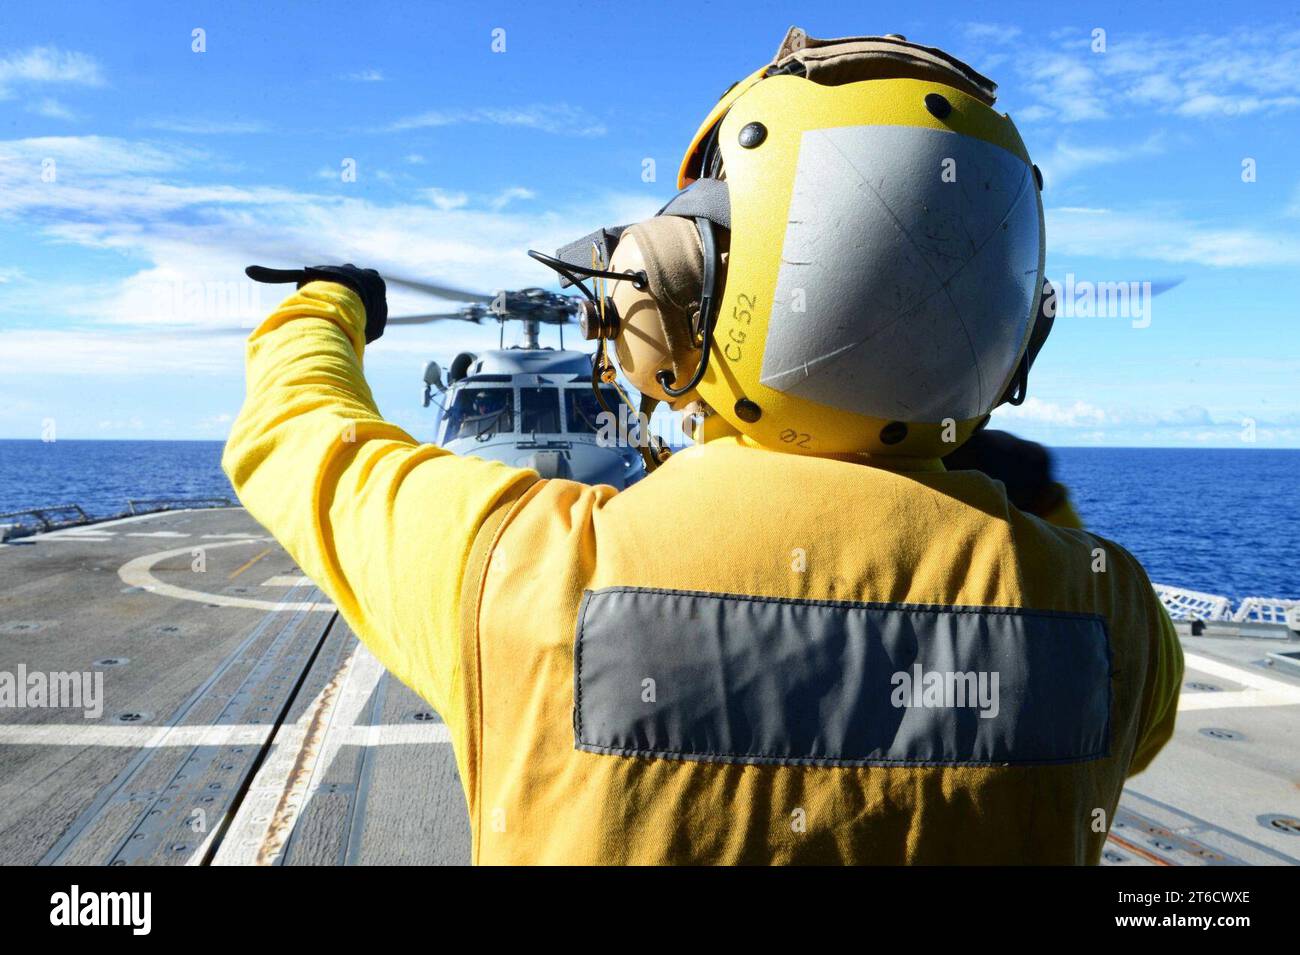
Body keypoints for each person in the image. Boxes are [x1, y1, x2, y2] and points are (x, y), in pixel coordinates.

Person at [226, 29, 1182, 865]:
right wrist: (1032, 509)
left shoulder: (520, 570)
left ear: (672, 293)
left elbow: (300, 437)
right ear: (1015, 335)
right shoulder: (1114, 618)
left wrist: (327, 303)